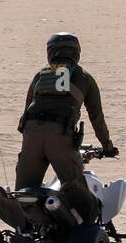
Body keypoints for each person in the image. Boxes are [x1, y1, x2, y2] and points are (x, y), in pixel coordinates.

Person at [14, 32, 117, 223]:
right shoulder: (84, 77)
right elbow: (97, 118)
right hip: (60, 137)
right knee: (79, 195)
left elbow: (26, 112)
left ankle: (27, 233)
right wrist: (107, 146)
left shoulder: (40, 75)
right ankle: (84, 236)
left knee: (24, 194)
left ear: (50, 52)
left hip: (31, 136)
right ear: (76, 52)